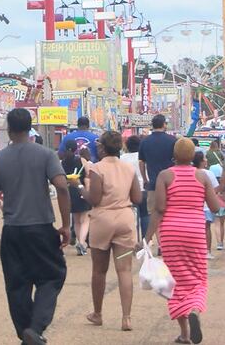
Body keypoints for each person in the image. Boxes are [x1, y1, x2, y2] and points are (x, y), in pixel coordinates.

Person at [0, 108, 71, 345]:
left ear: (9, 129)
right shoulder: (46, 155)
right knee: (51, 276)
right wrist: (66, 225)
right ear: (30, 128)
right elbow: (62, 187)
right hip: (41, 227)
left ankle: (26, 332)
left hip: (13, 230)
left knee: (17, 285)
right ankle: (35, 328)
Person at [155, 137, 220, 344]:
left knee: (174, 280)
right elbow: (215, 207)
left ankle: (184, 333)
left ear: (174, 154)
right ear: (193, 155)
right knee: (198, 278)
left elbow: (160, 208)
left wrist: (147, 237)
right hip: (195, 232)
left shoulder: (165, 175)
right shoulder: (202, 176)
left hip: (171, 233)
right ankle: (194, 308)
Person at [82, 131, 142, 331]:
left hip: (102, 222)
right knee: (124, 270)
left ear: (102, 148)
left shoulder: (97, 168)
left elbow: (94, 199)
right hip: (124, 221)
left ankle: (98, 313)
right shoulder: (128, 168)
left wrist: (81, 188)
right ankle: (126, 318)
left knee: (99, 270)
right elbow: (137, 198)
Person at [139, 113, 178, 247]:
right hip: (172, 184)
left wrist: (145, 179)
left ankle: (161, 244)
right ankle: (170, 241)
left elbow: (142, 162)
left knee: (154, 214)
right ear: (164, 124)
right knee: (171, 213)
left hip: (153, 184)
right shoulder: (172, 140)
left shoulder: (145, 141)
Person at [60, 140, 92, 255]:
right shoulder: (81, 160)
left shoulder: (62, 162)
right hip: (80, 189)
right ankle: (82, 243)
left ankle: (80, 242)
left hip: (69, 192)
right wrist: (87, 189)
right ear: (76, 149)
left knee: (77, 220)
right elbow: (88, 174)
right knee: (85, 219)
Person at [120, 134, 149, 241]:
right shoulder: (144, 157)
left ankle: (134, 240)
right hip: (144, 189)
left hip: (129, 191)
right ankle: (146, 241)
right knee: (145, 216)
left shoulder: (122, 158)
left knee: (132, 217)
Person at [193, 152, 218, 260]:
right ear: (201, 161)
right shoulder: (208, 173)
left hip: (194, 206)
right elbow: (215, 188)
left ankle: (196, 251)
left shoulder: (192, 173)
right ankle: (207, 251)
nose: (206, 160)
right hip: (206, 206)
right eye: (205, 158)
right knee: (206, 228)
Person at [208, 163, 225, 251]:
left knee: (217, 224)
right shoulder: (224, 185)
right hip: (223, 206)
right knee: (222, 224)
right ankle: (221, 242)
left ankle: (218, 242)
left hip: (215, 204)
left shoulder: (212, 184)